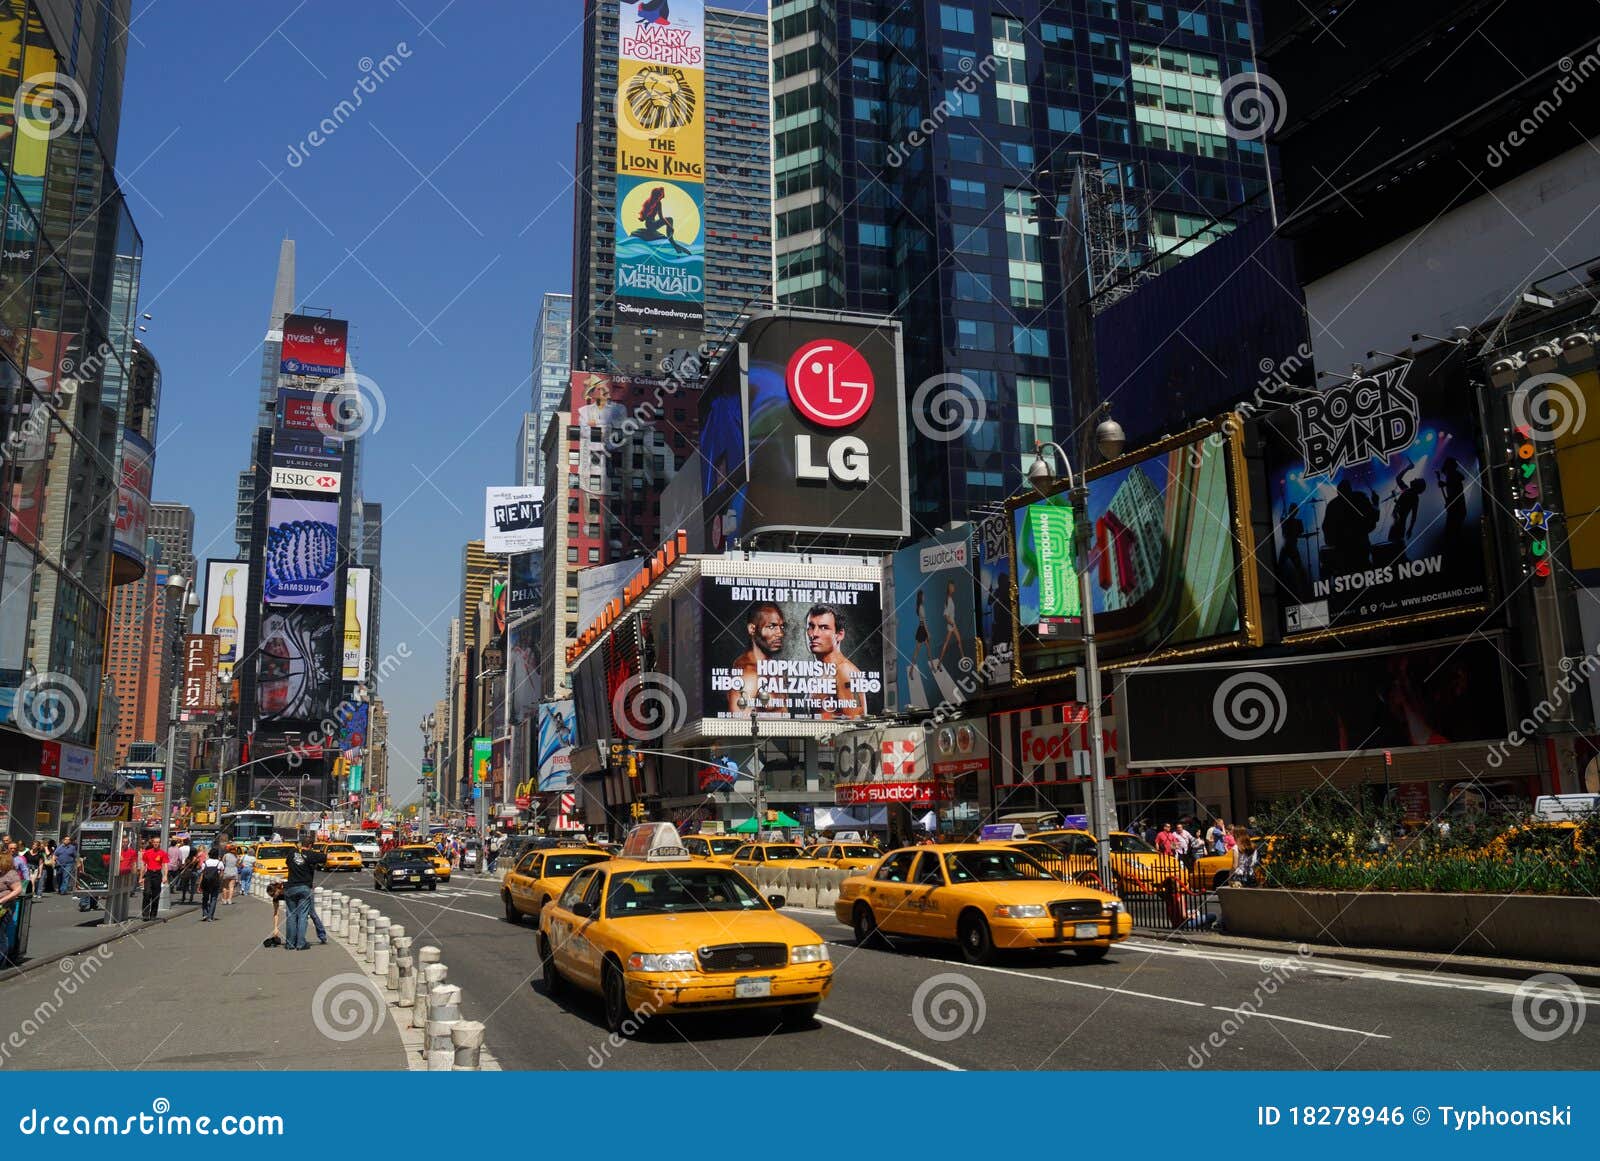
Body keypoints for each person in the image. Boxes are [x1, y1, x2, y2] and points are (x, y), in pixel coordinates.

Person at [805, 603, 867, 720]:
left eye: (824, 627)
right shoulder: (825, 671)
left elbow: (855, 725)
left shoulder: (844, 671)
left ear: (839, 635)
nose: (814, 634)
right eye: (811, 626)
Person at [728, 602, 788, 717]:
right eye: (771, 626)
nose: (780, 633)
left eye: (782, 626)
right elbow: (738, 727)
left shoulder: (774, 669)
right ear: (752, 629)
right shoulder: (748, 674)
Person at [281, 838, 323, 950]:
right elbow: (326, 857)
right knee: (303, 916)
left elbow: (288, 862)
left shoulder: (291, 853)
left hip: (290, 888)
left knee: (291, 916)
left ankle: (290, 944)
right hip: (304, 888)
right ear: (310, 845)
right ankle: (300, 943)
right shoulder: (311, 854)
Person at [935, 580, 966, 673]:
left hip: (952, 623)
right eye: (952, 586)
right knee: (948, 643)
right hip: (951, 624)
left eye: (953, 586)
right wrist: (951, 623)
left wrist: (952, 623)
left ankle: (963, 658)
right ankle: (939, 663)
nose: (953, 587)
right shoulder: (948, 599)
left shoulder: (949, 598)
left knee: (958, 640)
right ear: (949, 588)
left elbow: (948, 613)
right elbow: (945, 615)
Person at [0, 853, 24, 965]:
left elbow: (18, 890)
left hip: (5, 907)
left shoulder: (11, 874)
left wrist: (2, 900)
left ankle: (1, 961)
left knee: (0, 933)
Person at [139, 837, 169, 920]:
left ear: (160, 843)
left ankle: (153, 914)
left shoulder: (163, 853)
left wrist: (165, 875)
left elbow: (165, 865)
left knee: (156, 895)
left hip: (157, 874)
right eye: (155, 842)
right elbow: (143, 865)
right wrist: (141, 877)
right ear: (152, 843)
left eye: (158, 842)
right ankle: (145, 914)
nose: (156, 844)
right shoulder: (147, 852)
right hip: (149, 874)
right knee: (147, 893)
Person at [198, 847, 224, 921]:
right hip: (215, 883)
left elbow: (202, 875)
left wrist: (199, 885)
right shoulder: (220, 863)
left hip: (205, 882)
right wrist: (220, 882)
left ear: (209, 854)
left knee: (205, 898)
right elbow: (221, 875)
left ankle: (205, 914)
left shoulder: (205, 862)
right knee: (213, 899)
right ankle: (210, 916)